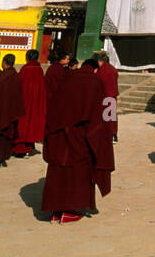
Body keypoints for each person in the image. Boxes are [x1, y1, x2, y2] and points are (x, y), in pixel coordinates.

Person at [41, 57, 114, 224]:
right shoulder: (95, 82)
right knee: (77, 173)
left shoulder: (68, 77)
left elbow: (54, 104)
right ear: (95, 69)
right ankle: (69, 211)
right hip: (80, 136)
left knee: (58, 171)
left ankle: (55, 211)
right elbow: (100, 113)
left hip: (59, 133)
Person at [13, 50, 47, 158]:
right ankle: (29, 148)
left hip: (25, 101)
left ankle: (21, 149)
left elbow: (19, 85)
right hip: (35, 102)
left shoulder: (25, 70)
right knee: (31, 124)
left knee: (23, 125)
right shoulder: (39, 70)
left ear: (27, 57)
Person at [95, 51, 120, 142]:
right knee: (111, 116)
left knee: (102, 117)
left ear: (100, 61)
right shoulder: (113, 69)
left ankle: (104, 135)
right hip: (112, 95)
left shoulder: (100, 70)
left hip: (103, 96)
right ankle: (114, 135)